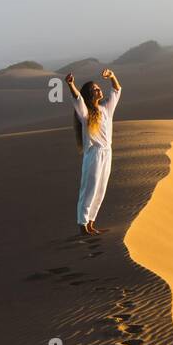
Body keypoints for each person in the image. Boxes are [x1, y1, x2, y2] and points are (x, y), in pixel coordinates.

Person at [66, 69, 121, 235]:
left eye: (99, 88)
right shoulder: (86, 114)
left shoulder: (106, 109)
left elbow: (116, 90)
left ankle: (91, 224)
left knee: (101, 189)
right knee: (90, 188)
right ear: (90, 94)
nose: (99, 90)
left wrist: (112, 76)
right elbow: (78, 99)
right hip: (94, 154)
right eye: (95, 89)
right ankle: (82, 225)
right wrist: (71, 84)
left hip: (107, 152)